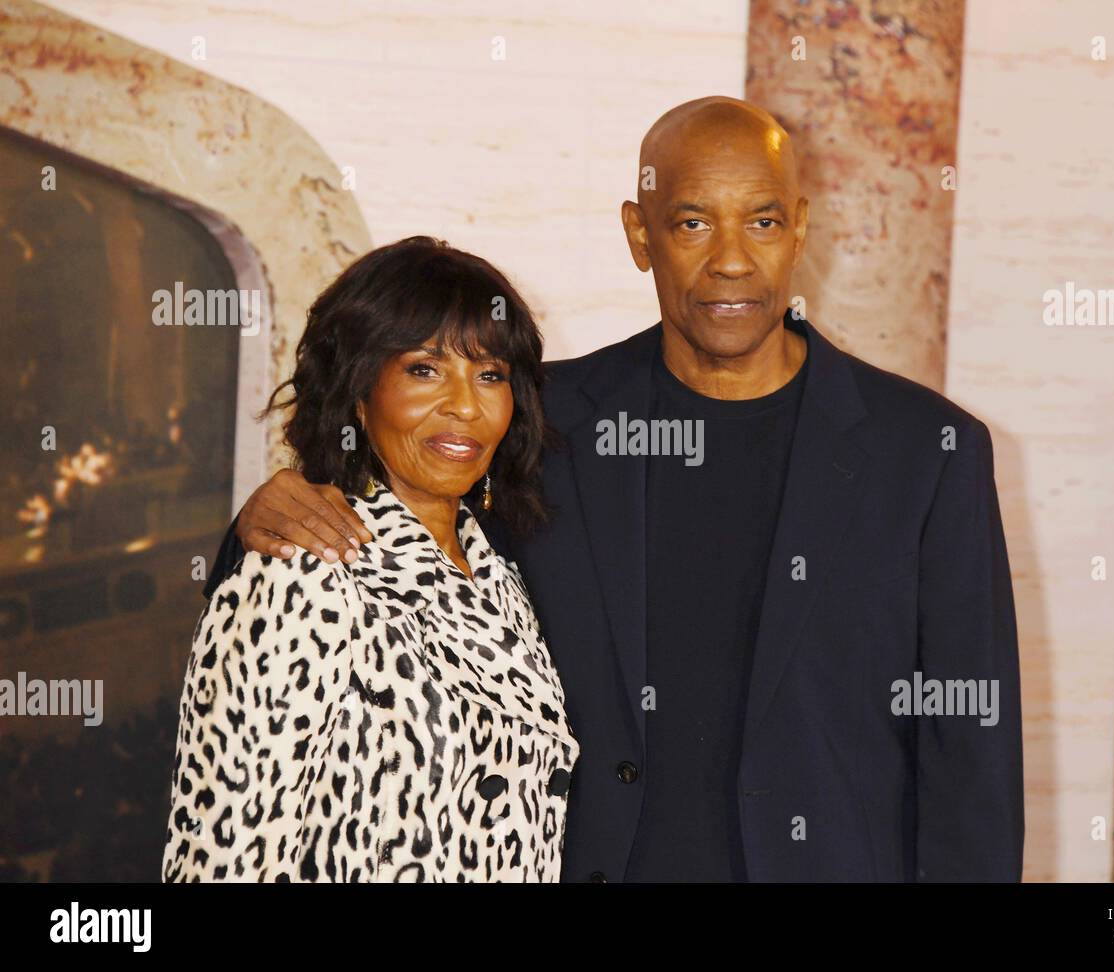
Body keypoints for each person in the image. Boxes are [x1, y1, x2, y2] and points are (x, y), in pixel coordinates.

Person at [208, 96, 1024, 882]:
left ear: (801, 230)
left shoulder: (926, 452)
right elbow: (389, 534)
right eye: (693, 222)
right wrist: (261, 517)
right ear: (640, 234)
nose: (732, 259)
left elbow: (970, 755)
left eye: (764, 222)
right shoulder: (541, 419)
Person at [163, 237, 577, 882]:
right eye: (425, 369)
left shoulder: (501, 578)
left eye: (490, 374)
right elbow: (223, 859)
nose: (466, 405)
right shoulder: (303, 574)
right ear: (359, 392)